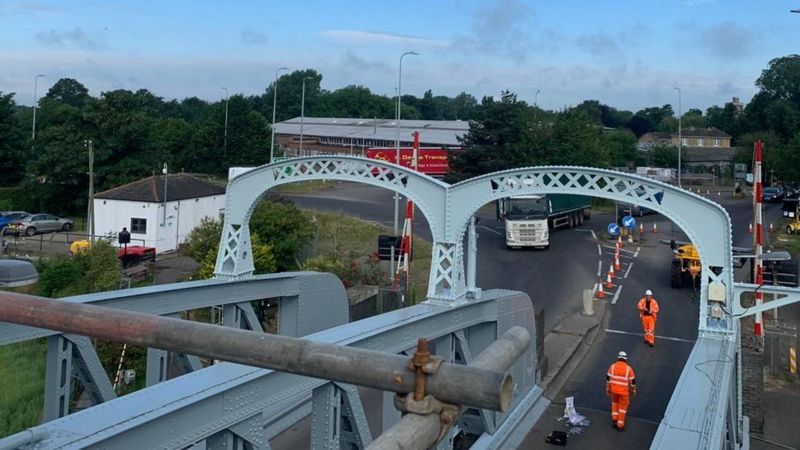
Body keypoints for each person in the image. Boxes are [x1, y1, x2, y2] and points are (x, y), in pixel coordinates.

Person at [606, 351, 636, 431]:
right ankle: (620, 425)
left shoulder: (612, 367)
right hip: (623, 392)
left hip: (614, 390)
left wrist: (608, 389)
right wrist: (633, 391)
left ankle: (614, 419)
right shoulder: (629, 369)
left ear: (618, 358)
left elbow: (608, 379)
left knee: (615, 403)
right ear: (625, 359)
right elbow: (632, 382)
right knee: (623, 408)